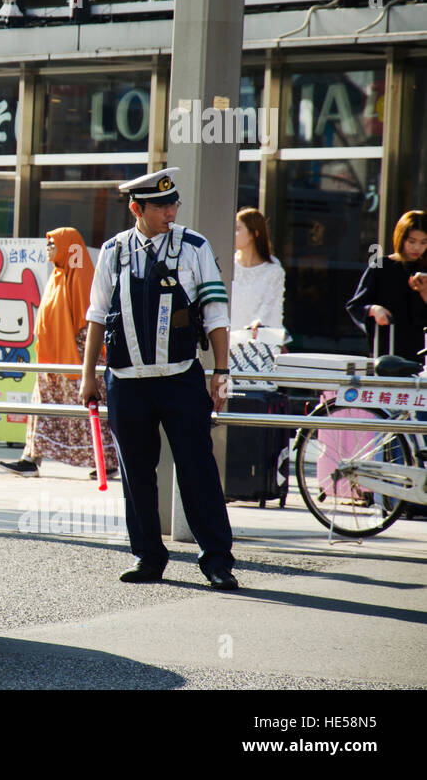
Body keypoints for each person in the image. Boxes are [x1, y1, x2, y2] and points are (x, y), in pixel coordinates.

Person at [79, 168, 238, 591]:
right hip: (125, 379)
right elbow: (96, 315)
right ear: (138, 208)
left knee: (197, 468)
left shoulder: (194, 246)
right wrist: (88, 375)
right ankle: (147, 556)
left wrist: (221, 372)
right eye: (162, 206)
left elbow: (217, 313)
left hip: (181, 377)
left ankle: (217, 561)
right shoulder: (113, 250)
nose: (171, 211)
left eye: (174, 203)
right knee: (136, 472)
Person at [3, 227, 120, 479]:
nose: (48, 249)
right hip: (55, 359)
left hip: (75, 360)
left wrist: (81, 363)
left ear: (68, 247)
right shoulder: (58, 275)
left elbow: (91, 322)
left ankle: (106, 462)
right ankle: (30, 458)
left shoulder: (82, 277)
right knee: (44, 407)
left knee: (84, 411)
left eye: (52, 244)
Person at [346, 209, 427, 364]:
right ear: (400, 238)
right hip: (388, 351)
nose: (417, 248)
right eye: (411, 241)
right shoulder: (381, 267)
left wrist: (424, 291)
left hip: (422, 353)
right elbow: (356, 305)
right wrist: (374, 310)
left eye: (423, 242)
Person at [230, 207, 286, 337]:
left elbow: (272, 307)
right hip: (226, 339)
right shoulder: (228, 265)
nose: (233, 233)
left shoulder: (273, 271)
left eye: (238, 229)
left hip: (254, 343)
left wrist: (259, 323)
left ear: (254, 233)